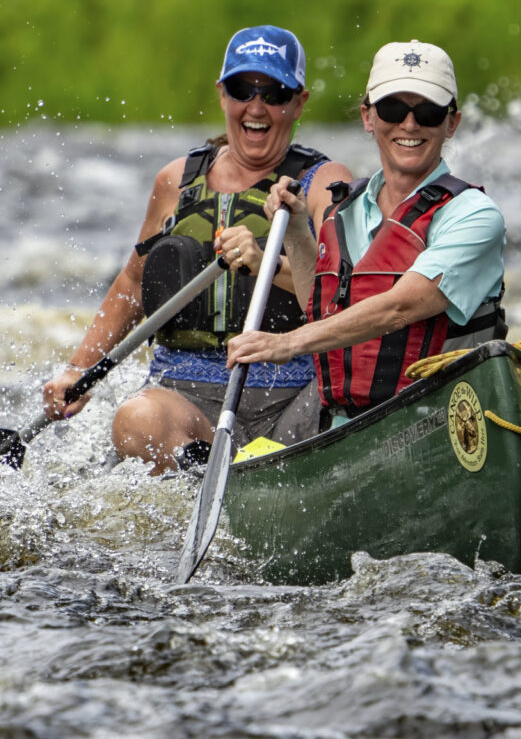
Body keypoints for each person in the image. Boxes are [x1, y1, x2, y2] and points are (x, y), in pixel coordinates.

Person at [43, 24, 352, 471]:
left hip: (294, 397)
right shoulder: (175, 181)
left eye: (275, 93)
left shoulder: (323, 183)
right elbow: (132, 281)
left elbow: (342, 298)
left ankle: (249, 477)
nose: (257, 107)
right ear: (222, 94)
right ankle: (196, 474)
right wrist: (77, 369)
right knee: (136, 417)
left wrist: (267, 263)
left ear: (299, 101)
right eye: (243, 89)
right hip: (186, 397)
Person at [227, 39, 508, 427]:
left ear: (452, 123)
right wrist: (294, 231)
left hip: (443, 425)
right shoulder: (344, 208)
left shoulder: (475, 216)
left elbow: (402, 306)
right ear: (368, 117)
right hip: (349, 429)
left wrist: (288, 342)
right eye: (393, 108)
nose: (409, 125)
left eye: (427, 112)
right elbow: (323, 309)